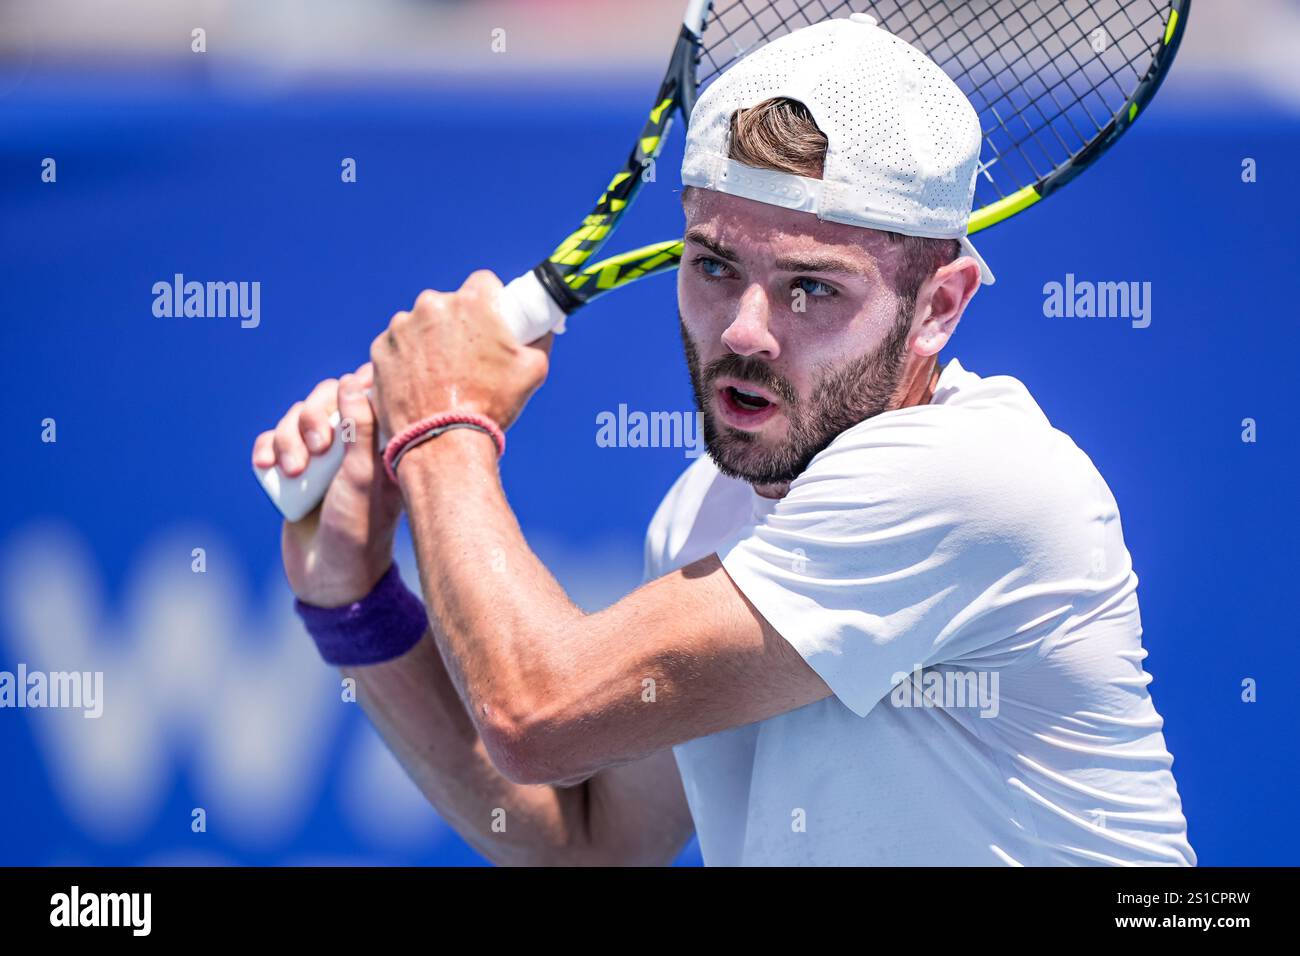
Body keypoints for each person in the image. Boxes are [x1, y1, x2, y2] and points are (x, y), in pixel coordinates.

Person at [252, 15, 1194, 865]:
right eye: (713, 266)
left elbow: (534, 713)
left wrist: (442, 420)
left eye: (811, 287)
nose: (744, 330)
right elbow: (588, 846)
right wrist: (353, 594)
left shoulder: (976, 479)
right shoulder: (707, 512)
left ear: (939, 307)